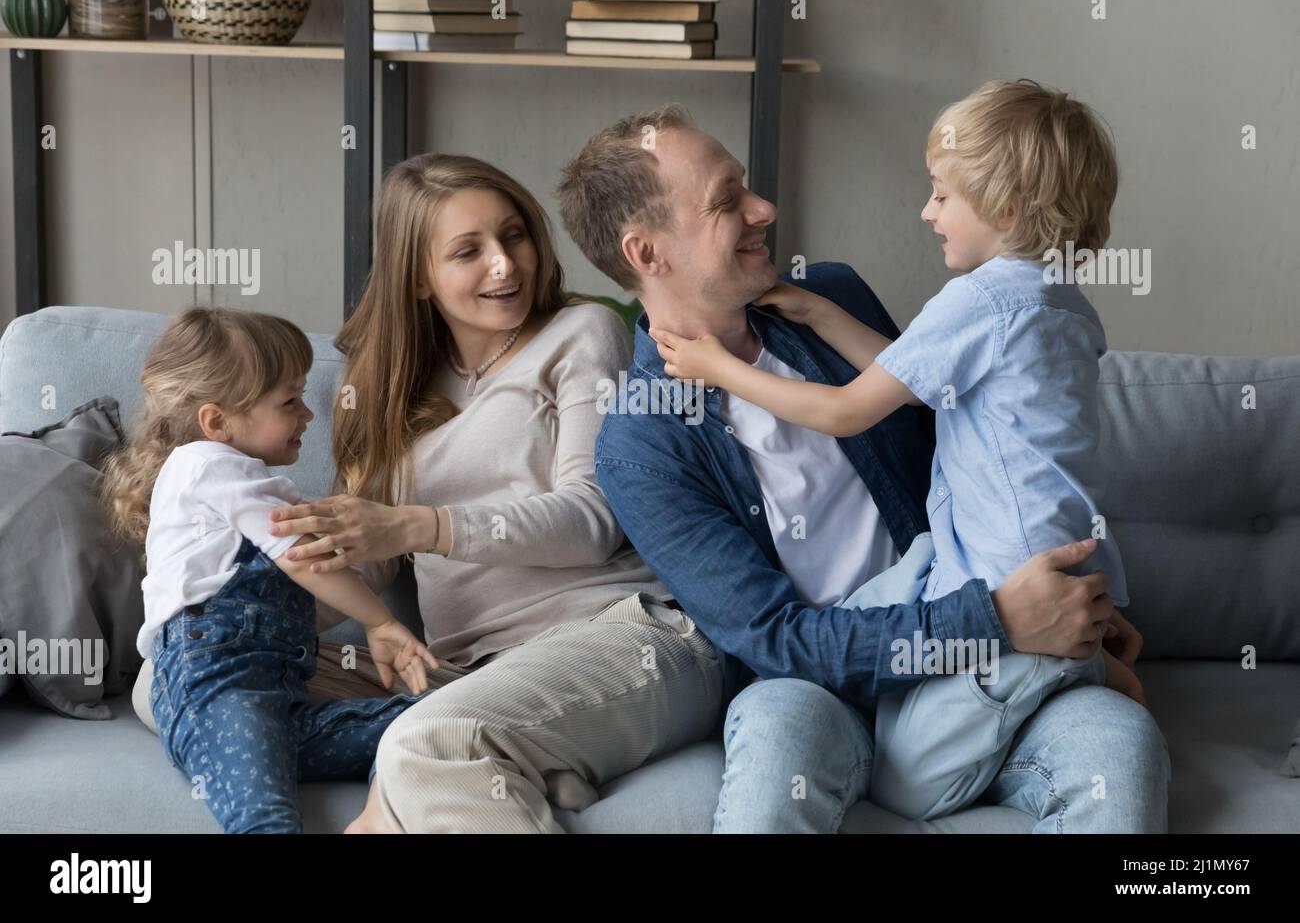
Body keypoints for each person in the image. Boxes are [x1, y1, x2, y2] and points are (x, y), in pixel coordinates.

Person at [561, 101, 1169, 832]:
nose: (765, 207)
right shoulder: (642, 447)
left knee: (1119, 747)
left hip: (969, 603)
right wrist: (996, 619)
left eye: (746, 184)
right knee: (774, 748)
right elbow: (777, 642)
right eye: (728, 201)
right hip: (829, 685)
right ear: (646, 254)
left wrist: (1077, 603)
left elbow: (977, 432)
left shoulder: (831, 295)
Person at [265, 153, 721, 833]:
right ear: (419, 278)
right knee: (187, 678)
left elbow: (593, 519)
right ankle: (510, 761)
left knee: (426, 743)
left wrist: (418, 525)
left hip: (624, 636)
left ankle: (442, 761)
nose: (504, 264)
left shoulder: (582, 335)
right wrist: (238, 604)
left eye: (513, 236)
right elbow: (368, 563)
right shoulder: (389, 392)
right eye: (468, 251)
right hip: (464, 673)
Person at [102, 307, 435, 833]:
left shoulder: (231, 483)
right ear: (217, 421)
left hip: (278, 697)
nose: (309, 414)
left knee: (418, 725)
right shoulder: (207, 464)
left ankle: (521, 770)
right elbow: (304, 558)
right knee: (265, 820)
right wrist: (380, 623)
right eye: (289, 401)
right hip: (217, 687)